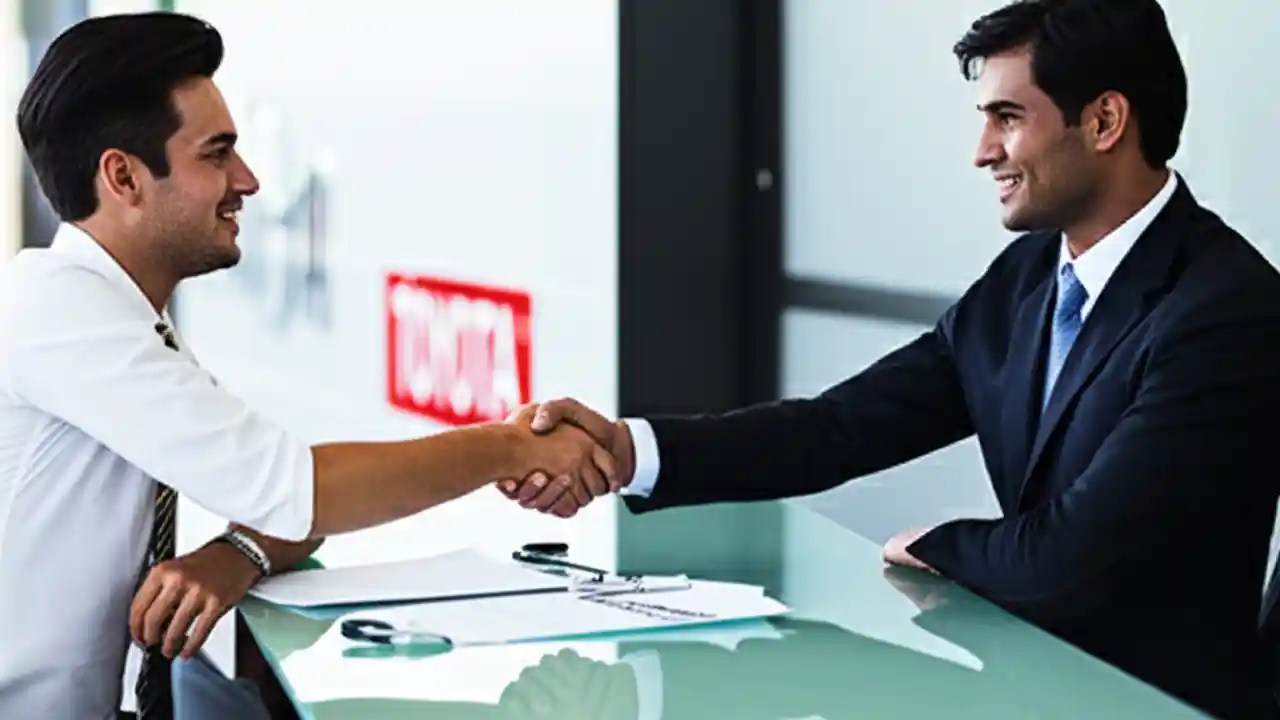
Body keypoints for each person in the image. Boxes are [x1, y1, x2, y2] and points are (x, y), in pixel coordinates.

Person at [504, 1, 1280, 718]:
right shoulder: (1028, 280)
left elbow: (1069, 562)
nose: (983, 153)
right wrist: (627, 448)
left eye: (1008, 118)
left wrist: (933, 544)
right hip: (1033, 687)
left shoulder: (1225, 308)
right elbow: (839, 427)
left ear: (1107, 119)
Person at [0, 13, 613, 719]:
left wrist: (237, 554)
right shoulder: (59, 314)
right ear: (124, 177)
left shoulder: (121, 325)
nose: (249, 180)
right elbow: (300, 491)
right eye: (217, 153)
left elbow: (285, 502)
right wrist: (507, 446)